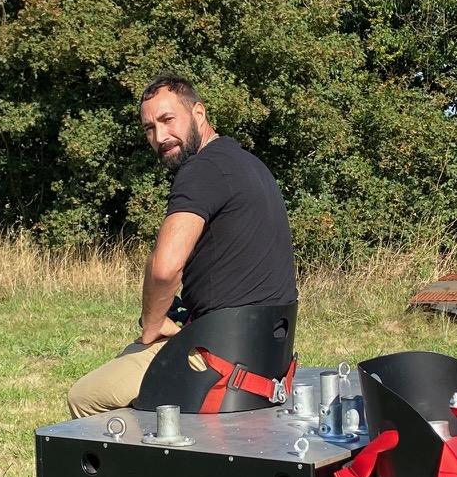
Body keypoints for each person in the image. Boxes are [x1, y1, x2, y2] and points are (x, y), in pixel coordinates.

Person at [66, 75, 297, 418]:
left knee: (85, 396)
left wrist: (152, 322)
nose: (159, 137)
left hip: (218, 358)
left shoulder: (201, 170)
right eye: (148, 128)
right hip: (262, 356)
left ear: (198, 113)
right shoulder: (251, 165)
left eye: (167, 120)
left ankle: (143, 471)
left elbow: (164, 267)